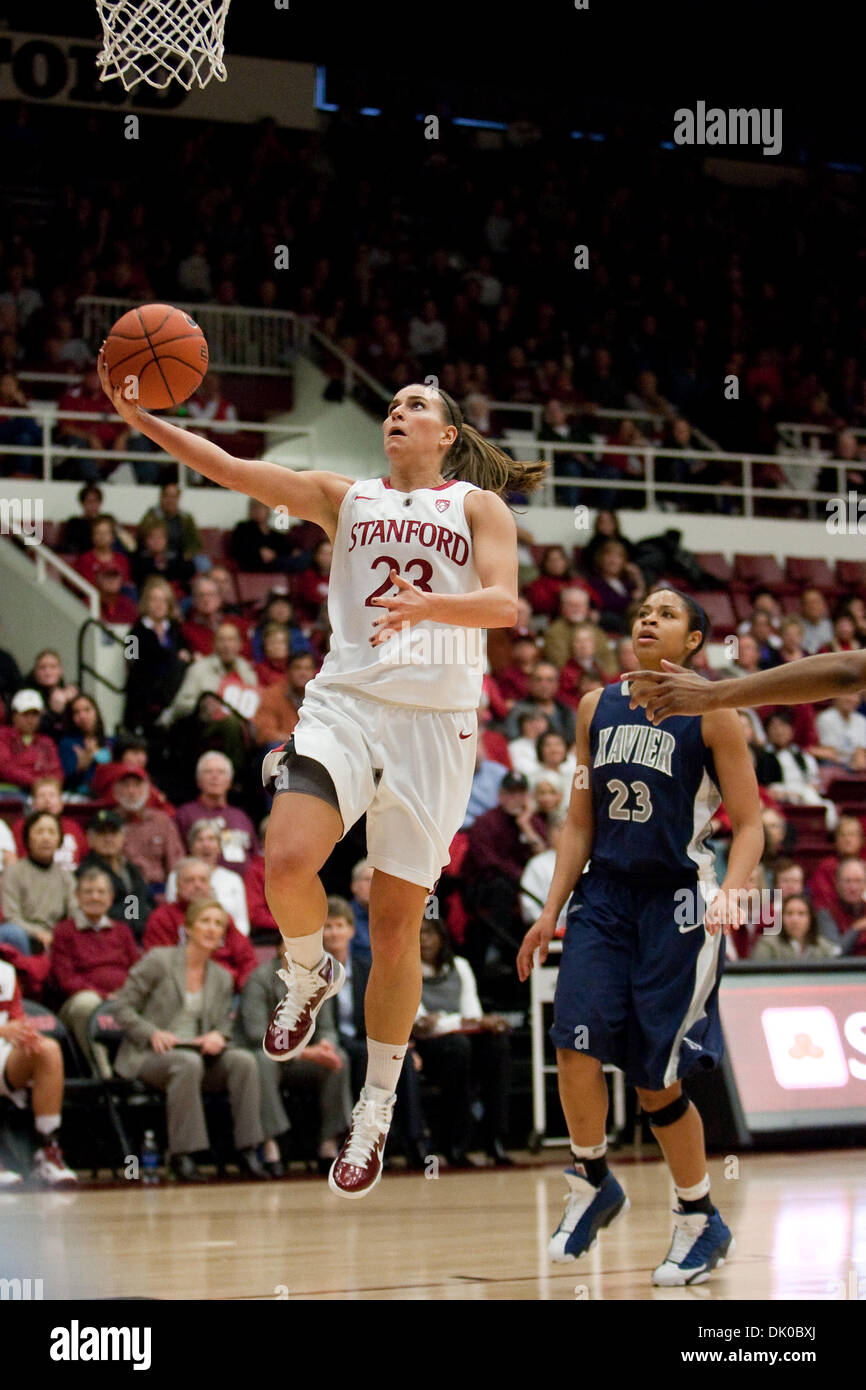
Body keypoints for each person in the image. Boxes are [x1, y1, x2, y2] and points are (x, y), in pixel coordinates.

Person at [99, 357, 543, 1199]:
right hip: (345, 705)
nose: (399, 413)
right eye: (394, 404)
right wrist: (143, 420)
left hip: (435, 726)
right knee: (288, 857)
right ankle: (306, 972)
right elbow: (228, 468)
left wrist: (432, 607)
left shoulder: (475, 505)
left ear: (447, 436)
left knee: (395, 921)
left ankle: (374, 1105)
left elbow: (508, 607)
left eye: (417, 405)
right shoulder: (346, 497)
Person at [518, 589, 764, 1285]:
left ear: (692, 643)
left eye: (668, 613)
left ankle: (699, 1219)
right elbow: (577, 822)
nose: (648, 620)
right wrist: (549, 911)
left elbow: (750, 825)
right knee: (574, 1041)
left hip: (679, 905)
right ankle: (593, 1178)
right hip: (605, 897)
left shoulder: (715, 713)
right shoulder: (597, 706)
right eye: (643, 612)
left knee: (658, 1081)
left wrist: (736, 892)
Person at [110, 897, 266, 1181]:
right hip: (150, 1055)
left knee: (243, 1060)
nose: (211, 928)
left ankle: (248, 1151)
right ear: (189, 928)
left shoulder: (221, 977)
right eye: (205, 921)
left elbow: (223, 1024)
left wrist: (219, 1035)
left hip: (197, 1054)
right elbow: (120, 1006)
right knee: (186, 1063)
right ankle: (184, 1156)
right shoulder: (159, 960)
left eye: (218, 924)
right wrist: (152, 1032)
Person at [237, 942, 352, 1176]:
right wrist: (306, 1052)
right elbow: (256, 1033)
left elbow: (328, 1027)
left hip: (304, 1057)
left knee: (338, 1059)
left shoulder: (319, 979)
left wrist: (326, 1044)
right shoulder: (259, 978)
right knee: (262, 1061)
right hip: (269, 1053)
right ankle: (272, 1146)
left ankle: (329, 1145)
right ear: (279, 948)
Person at [412, 919, 513, 1167]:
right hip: (426, 1047)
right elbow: (422, 1024)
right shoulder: (406, 969)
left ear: (441, 937)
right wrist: (462, 1021)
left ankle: (494, 1138)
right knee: (458, 1048)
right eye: (419, 934)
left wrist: (471, 1022)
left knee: (496, 1045)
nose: (425, 939)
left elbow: (473, 1014)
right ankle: (454, 1142)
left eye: (430, 933)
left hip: (460, 1042)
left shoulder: (459, 966)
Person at [50, 867, 140, 1077]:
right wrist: (104, 997)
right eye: (88, 892)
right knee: (87, 1003)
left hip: (123, 997)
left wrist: (125, 995)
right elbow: (66, 979)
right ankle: (103, 1075)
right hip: (79, 1003)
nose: (95, 897)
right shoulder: (64, 931)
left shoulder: (122, 930)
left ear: (110, 898)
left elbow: (137, 971)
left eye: (101, 892)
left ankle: (136, 1077)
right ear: (77, 897)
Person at [0, 955, 78, 1186]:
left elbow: (17, 1020)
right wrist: (2, 1031)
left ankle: (47, 1150)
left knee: (47, 1049)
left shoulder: (5, 972)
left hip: (3, 1056)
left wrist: (27, 1035)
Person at [142, 856, 255, 991]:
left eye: (203, 880)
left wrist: (241, 985)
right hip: (181, 991)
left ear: (210, 885)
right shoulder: (161, 918)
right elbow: (159, 965)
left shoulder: (222, 917)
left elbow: (248, 960)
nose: (197, 885)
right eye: (190, 880)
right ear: (178, 885)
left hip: (228, 990)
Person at [0, 811, 77, 956]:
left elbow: (74, 914)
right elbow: (11, 916)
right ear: (28, 838)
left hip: (57, 937)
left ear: (59, 839)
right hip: (25, 936)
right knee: (11, 932)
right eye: (39, 832)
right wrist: (38, 933)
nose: (46, 838)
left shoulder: (66, 877)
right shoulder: (14, 873)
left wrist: (58, 935)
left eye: (51, 832)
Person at [123, 577, 192, 733]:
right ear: (146, 603)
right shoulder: (134, 633)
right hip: (146, 693)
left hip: (174, 689)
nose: (159, 604)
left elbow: (187, 653)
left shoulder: (175, 630)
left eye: (163, 600)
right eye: (154, 599)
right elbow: (131, 661)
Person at [78, 808, 154, 942]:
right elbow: (100, 910)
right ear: (90, 839)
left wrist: (138, 915)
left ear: (123, 838)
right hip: (104, 938)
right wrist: (134, 915)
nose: (108, 839)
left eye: (113, 833)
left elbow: (144, 900)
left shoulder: (131, 869)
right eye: (102, 833)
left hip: (139, 934)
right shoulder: (85, 872)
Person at [175, 751, 259, 872]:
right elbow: (177, 856)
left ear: (229, 781)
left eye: (221, 772)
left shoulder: (241, 817)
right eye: (208, 772)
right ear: (198, 780)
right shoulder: (185, 814)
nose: (215, 777)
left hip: (242, 886)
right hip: (202, 884)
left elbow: (255, 856)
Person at [165, 819, 251, 936]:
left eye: (211, 839)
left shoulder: (234, 879)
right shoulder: (176, 875)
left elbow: (242, 923)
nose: (206, 844)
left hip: (228, 940)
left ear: (219, 847)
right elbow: (173, 913)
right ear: (191, 846)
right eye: (200, 840)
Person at [112, 767, 185, 889]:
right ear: (116, 791)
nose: (131, 791)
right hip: (121, 890)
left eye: (137, 785)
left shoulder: (162, 821)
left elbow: (175, 863)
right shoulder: (109, 823)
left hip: (157, 889)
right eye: (126, 786)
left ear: (148, 789)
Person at [11, 777, 87, 872]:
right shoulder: (21, 827)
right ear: (33, 803)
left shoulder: (73, 827)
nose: (47, 801)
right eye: (42, 796)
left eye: (52, 795)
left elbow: (84, 857)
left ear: (61, 803)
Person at [0, 689, 63, 790]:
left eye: (34, 714)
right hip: (12, 792)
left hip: (43, 792)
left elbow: (57, 773)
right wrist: (36, 780)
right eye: (25, 714)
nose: (30, 720)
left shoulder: (47, 741)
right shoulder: (3, 736)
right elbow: (5, 769)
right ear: (14, 715)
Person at [750, 894, 837, 963]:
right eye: (789, 913)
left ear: (811, 918)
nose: (795, 920)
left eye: (801, 914)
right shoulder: (768, 945)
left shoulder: (824, 948)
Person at [58, 694, 113, 796]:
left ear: (96, 712)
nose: (82, 716)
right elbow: (65, 783)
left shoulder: (109, 742)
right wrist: (81, 766)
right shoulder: (68, 744)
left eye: (87, 710)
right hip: (79, 797)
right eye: (76, 712)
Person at [815, 858, 866, 946]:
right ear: (837, 884)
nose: (853, 888)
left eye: (858, 881)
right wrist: (856, 928)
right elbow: (834, 951)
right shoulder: (827, 911)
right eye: (847, 881)